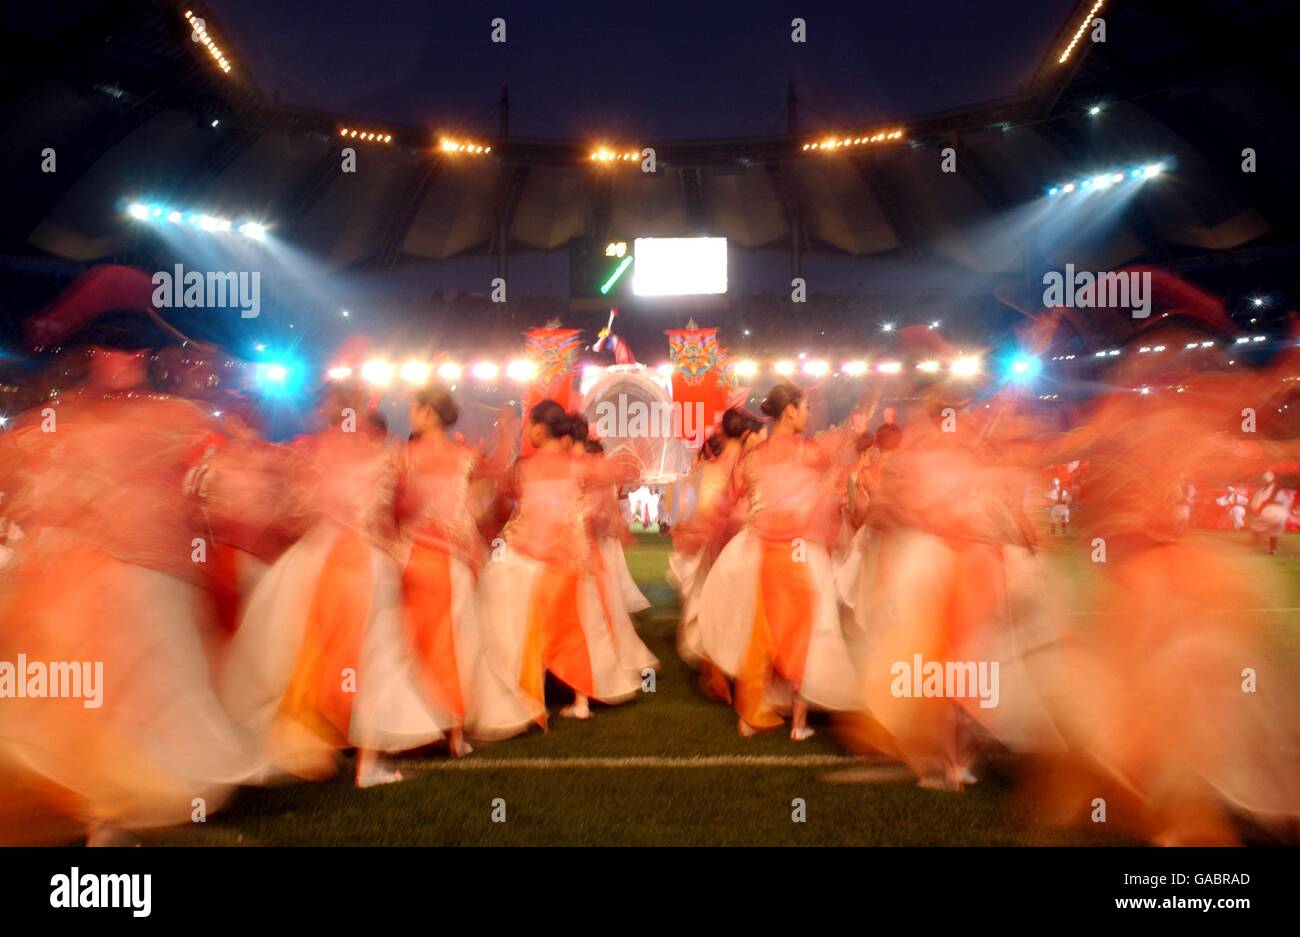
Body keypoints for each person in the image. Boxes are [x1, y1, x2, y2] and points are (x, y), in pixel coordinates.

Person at [219, 379, 446, 788]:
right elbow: (405, 508)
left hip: (317, 558)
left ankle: (295, 744)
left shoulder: (312, 452)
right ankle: (366, 763)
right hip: (362, 562)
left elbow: (292, 511)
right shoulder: (384, 454)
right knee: (375, 658)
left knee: (299, 652)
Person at [698, 384, 862, 740]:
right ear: (789, 411)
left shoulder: (753, 457)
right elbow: (843, 450)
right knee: (807, 630)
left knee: (761, 631)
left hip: (758, 550)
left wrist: (704, 529)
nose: (807, 415)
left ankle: (751, 713)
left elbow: (727, 502)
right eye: (804, 408)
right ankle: (798, 721)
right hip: (800, 552)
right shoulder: (810, 453)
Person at [477, 400, 646, 723]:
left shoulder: (522, 468)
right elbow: (624, 473)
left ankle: (529, 697)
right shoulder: (579, 465)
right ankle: (581, 702)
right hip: (569, 561)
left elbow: (499, 504)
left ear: (540, 429)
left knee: (524, 628)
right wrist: (633, 455)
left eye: (528, 426)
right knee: (576, 630)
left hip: (526, 559)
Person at [398, 384, 542, 753]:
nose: (411, 413)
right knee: (458, 643)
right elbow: (496, 469)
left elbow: (395, 507)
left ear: (428, 414)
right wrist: (507, 429)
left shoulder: (405, 457)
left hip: (415, 560)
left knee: (411, 644)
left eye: (415, 407)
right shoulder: (461, 457)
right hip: (453, 562)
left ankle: (420, 724)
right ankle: (456, 732)